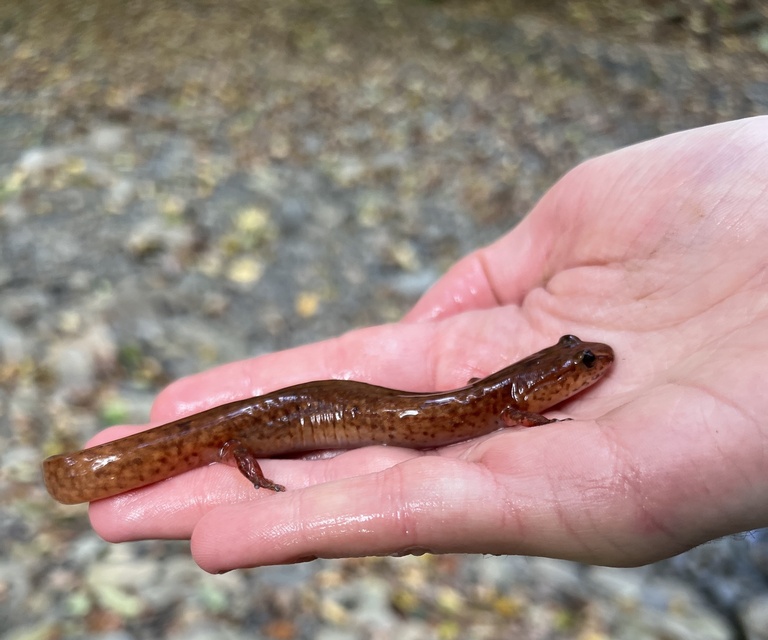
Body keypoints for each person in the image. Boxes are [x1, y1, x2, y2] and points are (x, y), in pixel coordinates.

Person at [88, 117, 768, 573]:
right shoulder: (511, 404)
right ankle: (114, 470)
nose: (596, 364)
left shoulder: (508, 400)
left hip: (323, 413)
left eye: (583, 361)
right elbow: (512, 412)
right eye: (581, 361)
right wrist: (257, 473)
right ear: (542, 384)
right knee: (220, 436)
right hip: (266, 425)